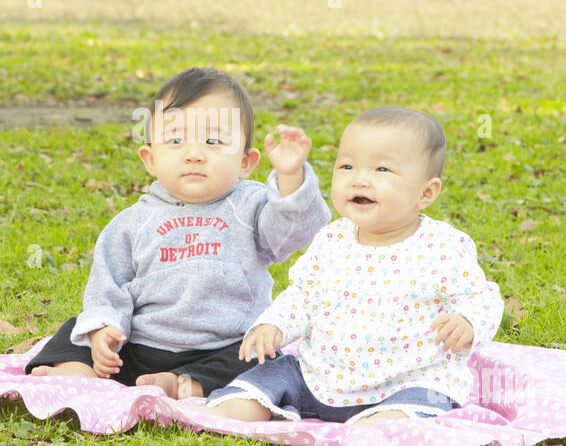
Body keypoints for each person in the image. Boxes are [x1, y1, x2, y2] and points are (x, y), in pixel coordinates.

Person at [26, 66, 332, 399]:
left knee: (260, 358)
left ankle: (185, 385)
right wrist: (105, 328)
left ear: (246, 162)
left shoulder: (252, 207)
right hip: (140, 345)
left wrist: (290, 179)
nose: (194, 153)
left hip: (220, 346)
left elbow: (294, 231)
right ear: (150, 158)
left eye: (213, 141)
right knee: (76, 330)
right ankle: (81, 371)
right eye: (175, 140)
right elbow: (108, 283)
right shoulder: (133, 221)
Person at [203, 106, 503, 426]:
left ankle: (379, 425)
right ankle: (233, 410)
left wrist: (468, 320)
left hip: (407, 379)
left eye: (382, 170)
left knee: (416, 404)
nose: (360, 179)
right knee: (269, 377)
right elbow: (304, 296)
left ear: (425, 193)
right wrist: (273, 325)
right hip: (319, 374)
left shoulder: (443, 247)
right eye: (347, 165)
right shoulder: (331, 240)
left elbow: (482, 297)